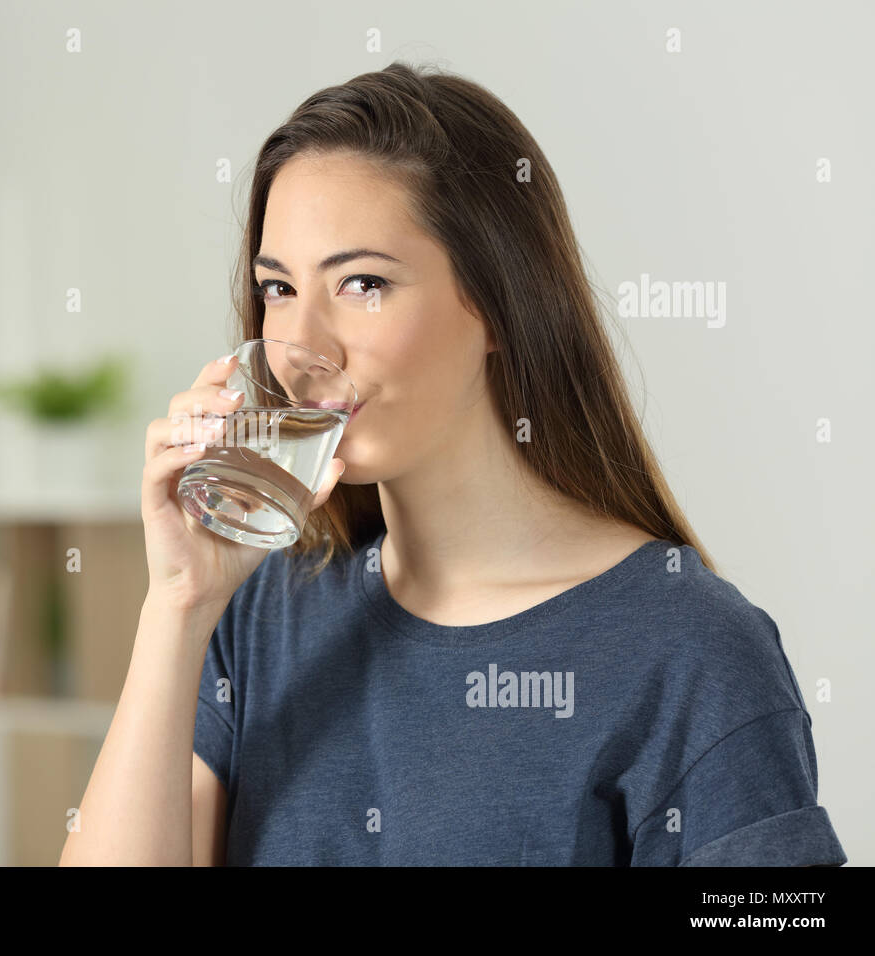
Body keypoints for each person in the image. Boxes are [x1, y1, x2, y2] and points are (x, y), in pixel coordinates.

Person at [58, 61, 846, 866]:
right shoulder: (263, 615)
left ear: (502, 303)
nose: (304, 350)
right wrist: (180, 605)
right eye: (279, 289)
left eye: (364, 283)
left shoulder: (689, 648)